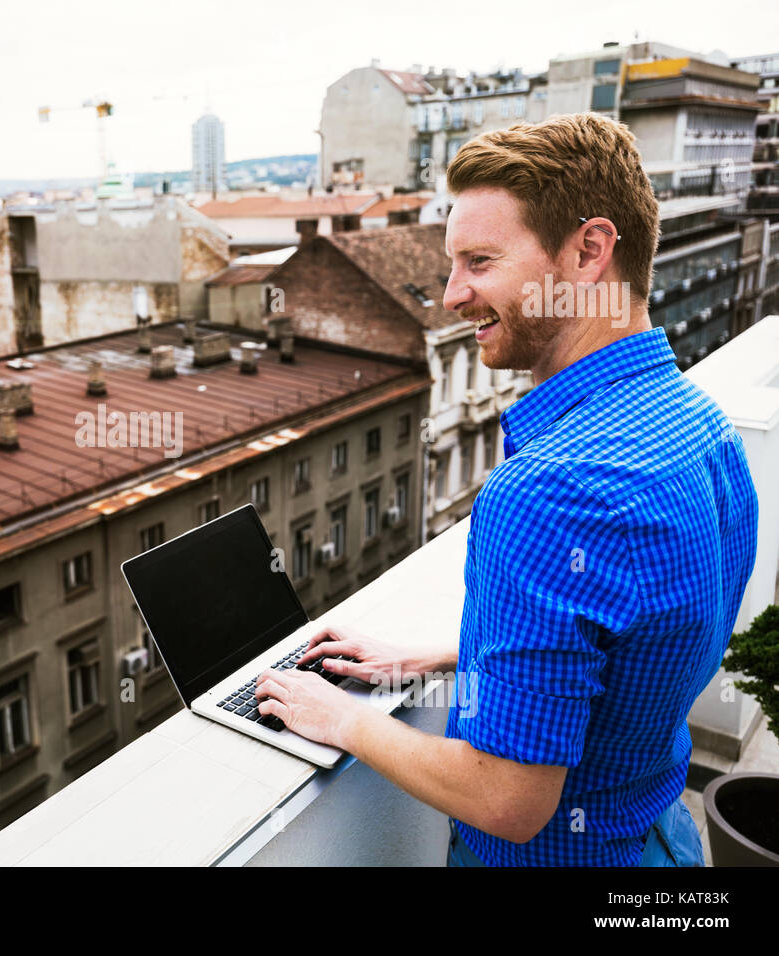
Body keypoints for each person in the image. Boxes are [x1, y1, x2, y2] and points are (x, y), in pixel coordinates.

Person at [253, 112, 759, 866]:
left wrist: (341, 718)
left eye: (480, 261)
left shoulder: (555, 490)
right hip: (661, 837)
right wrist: (445, 656)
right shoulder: (697, 425)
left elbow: (507, 799)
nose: (453, 295)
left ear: (589, 252)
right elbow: (630, 638)